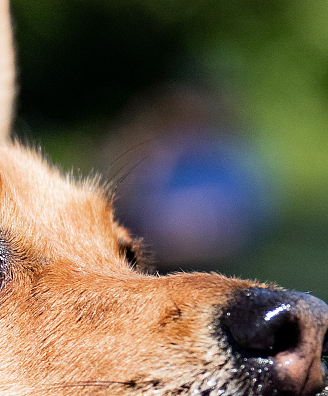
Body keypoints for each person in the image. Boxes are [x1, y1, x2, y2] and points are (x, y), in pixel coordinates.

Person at [103, 75, 277, 270]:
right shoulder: (147, 153)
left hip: (212, 241)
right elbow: (121, 200)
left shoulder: (225, 155)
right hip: (155, 239)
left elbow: (252, 205)